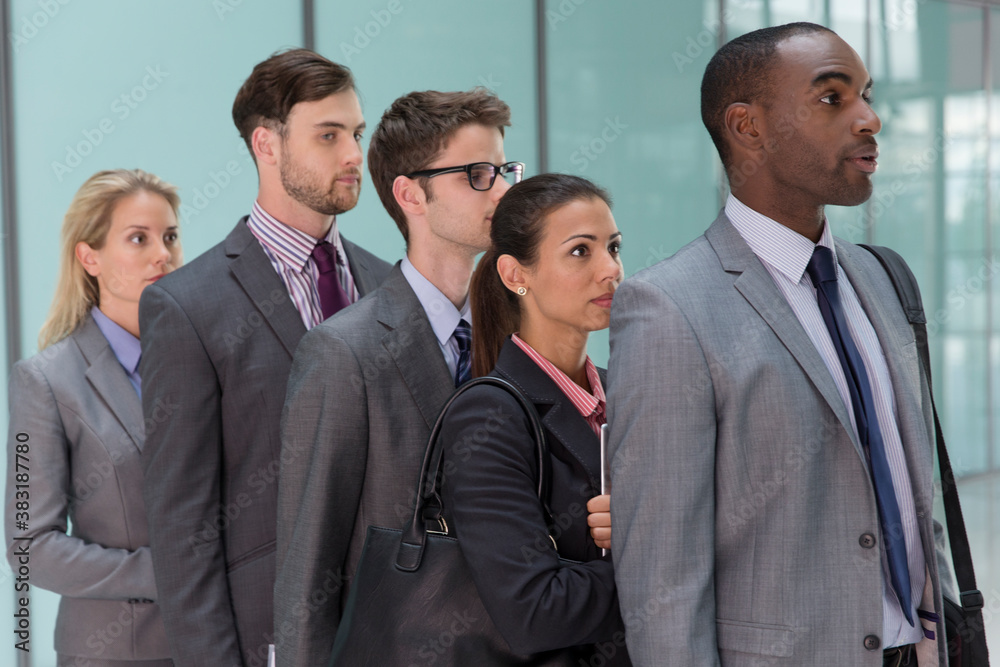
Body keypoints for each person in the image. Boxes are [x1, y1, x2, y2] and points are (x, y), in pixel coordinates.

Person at [608, 22, 952, 667]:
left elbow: (910, 485)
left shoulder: (882, 276)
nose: (870, 119)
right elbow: (663, 575)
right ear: (748, 128)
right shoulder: (668, 308)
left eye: (866, 95)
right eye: (833, 98)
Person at [138, 49, 391, 667]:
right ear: (267, 145)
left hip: (397, 634)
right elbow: (181, 530)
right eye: (329, 135)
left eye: (356, 133)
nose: (355, 154)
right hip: (270, 641)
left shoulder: (390, 286)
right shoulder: (187, 306)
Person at [274, 88, 519, 666]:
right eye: (478, 174)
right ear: (410, 193)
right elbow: (308, 564)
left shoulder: (519, 337)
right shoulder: (342, 353)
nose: (504, 191)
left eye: (506, 169)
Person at [433, 173, 631, 664]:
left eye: (614, 247)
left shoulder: (635, 392)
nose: (611, 270)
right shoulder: (487, 416)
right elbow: (536, 609)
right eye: (581, 252)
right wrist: (664, 552)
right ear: (516, 274)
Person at [5, 169, 181, 667]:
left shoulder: (205, 363)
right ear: (90, 257)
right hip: (113, 654)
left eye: (169, 236)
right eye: (138, 238)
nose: (162, 254)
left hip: (217, 643)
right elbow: (29, 546)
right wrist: (167, 573)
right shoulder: (44, 381)